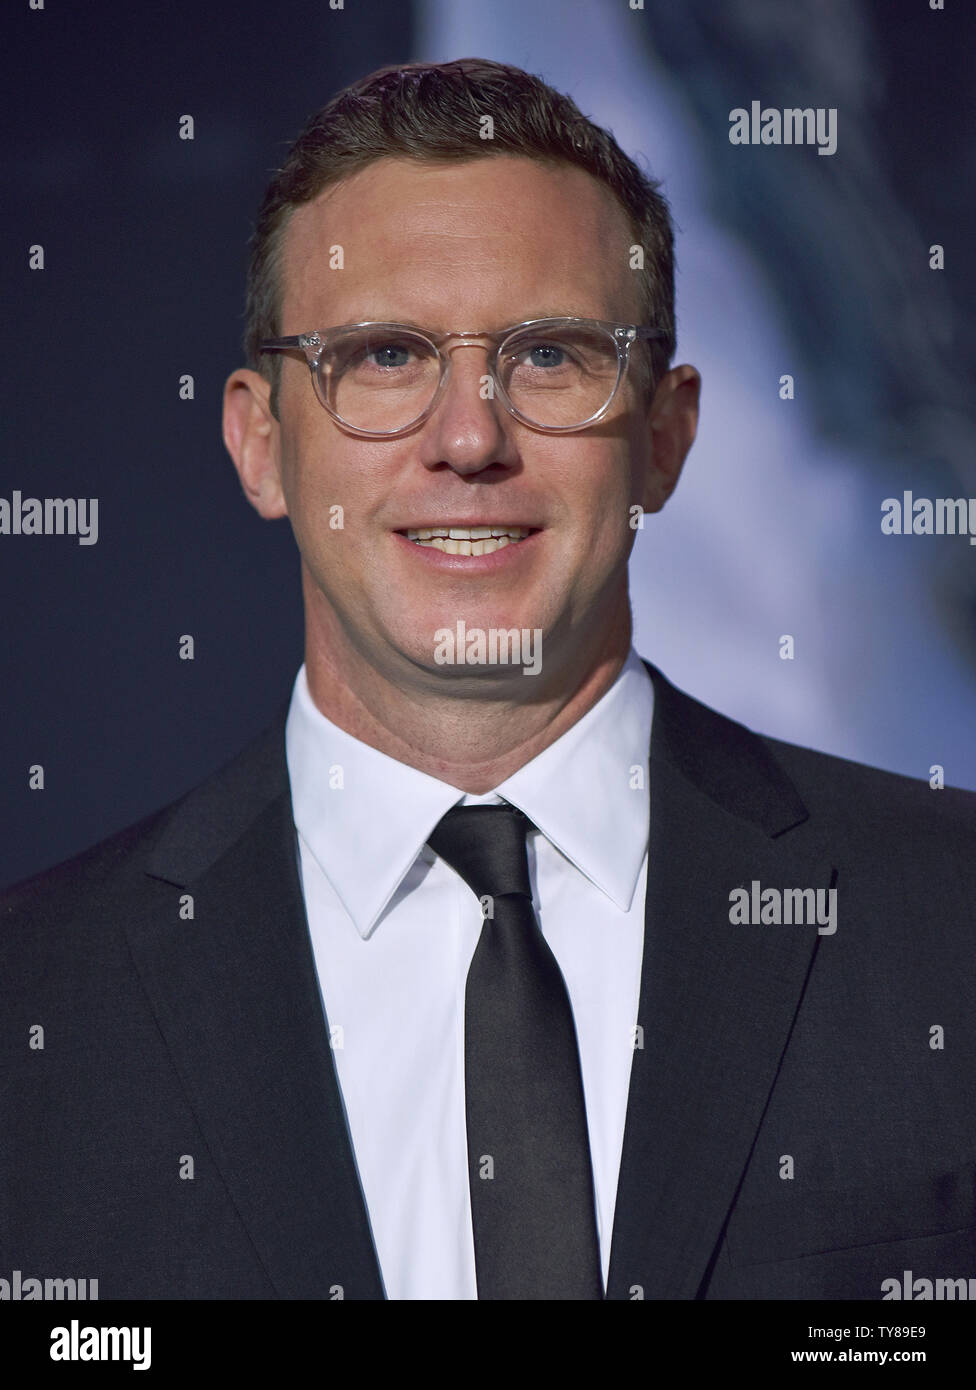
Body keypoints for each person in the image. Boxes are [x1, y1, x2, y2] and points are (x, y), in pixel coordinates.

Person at [2, 58, 974, 1303]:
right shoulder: (32, 1008)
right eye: (385, 355)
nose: (468, 439)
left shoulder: (949, 921)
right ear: (260, 442)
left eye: (551, 356)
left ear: (665, 436)